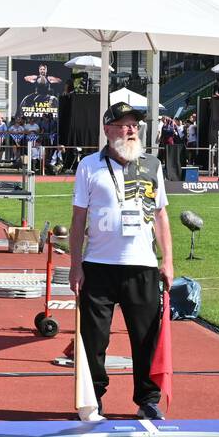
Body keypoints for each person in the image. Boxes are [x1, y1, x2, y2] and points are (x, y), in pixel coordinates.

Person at [69, 103, 174, 420]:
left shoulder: (151, 165)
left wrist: (167, 260)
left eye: (135, 126)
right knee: (94, 339)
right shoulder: (89, 166)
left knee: (145, 339)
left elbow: (160, 215)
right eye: (124, 125)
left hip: (141, 266)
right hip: (98, 266)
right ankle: (93, 397)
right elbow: (77, 220)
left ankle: (148, 399)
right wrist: (76, 265)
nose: (131, 131)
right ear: (108, 129)